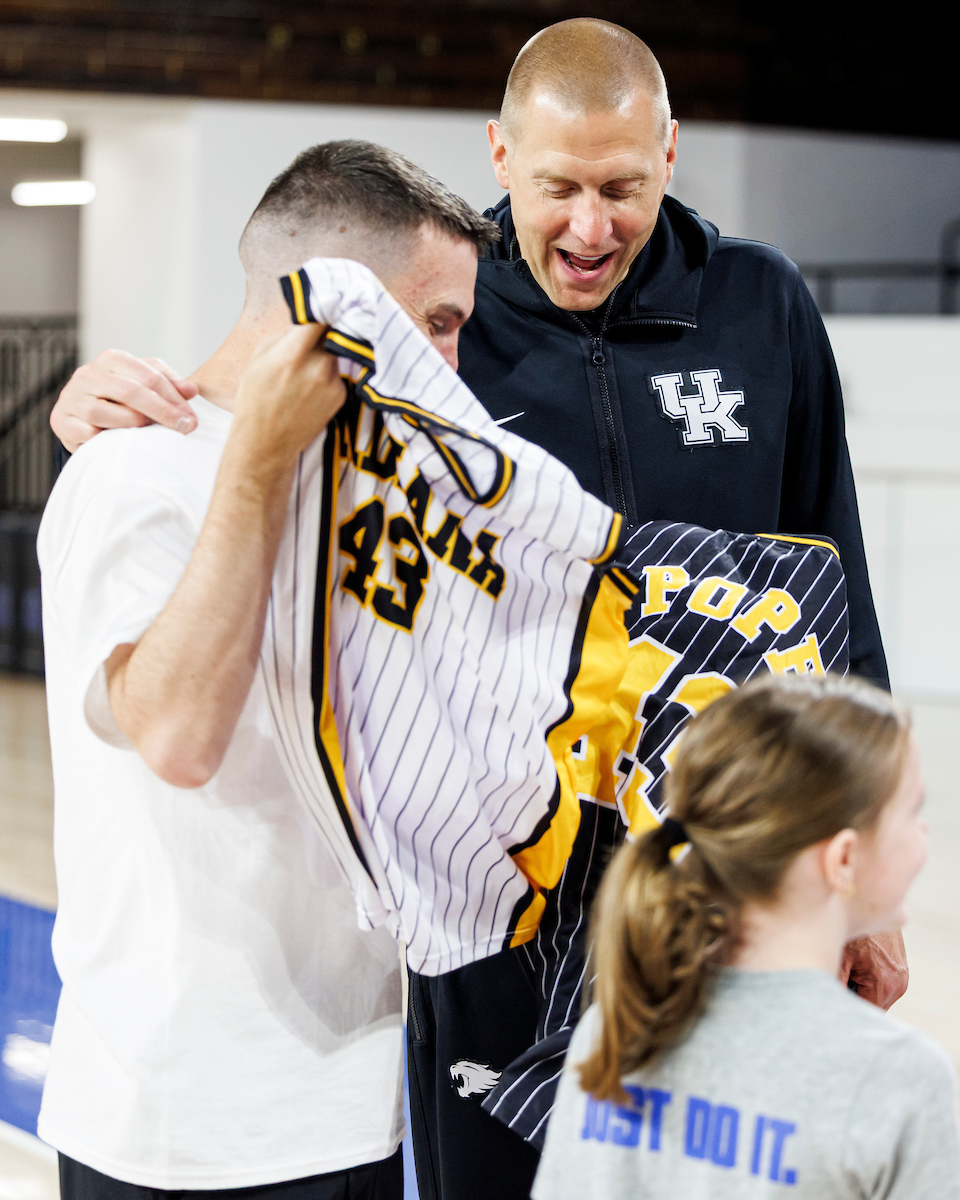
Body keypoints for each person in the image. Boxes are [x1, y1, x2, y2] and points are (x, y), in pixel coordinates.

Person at [48, 18, 902, 1199]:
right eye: (558, 189)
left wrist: (863, 877)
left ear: (670, 153)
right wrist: (127, 400)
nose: (590, 228)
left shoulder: (761, 307)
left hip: (726, 890)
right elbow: (266, 385)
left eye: (623, 187)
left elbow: (834, 600)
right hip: (499, 905)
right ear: (501, 156)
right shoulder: (431, 326)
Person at [38, 140, 496, 1200]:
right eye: (434, 324)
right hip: (183, 1123)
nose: (452, 363)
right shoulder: (133, 471)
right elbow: (177, 736)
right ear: (327, 307)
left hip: (352, 1096)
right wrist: (257, 460)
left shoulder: (375, 491)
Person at [533, 675, 960, 1198]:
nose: (924, 832)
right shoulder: (897, 1078)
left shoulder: (613, 1029)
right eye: (912, 811)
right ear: (843, 859)